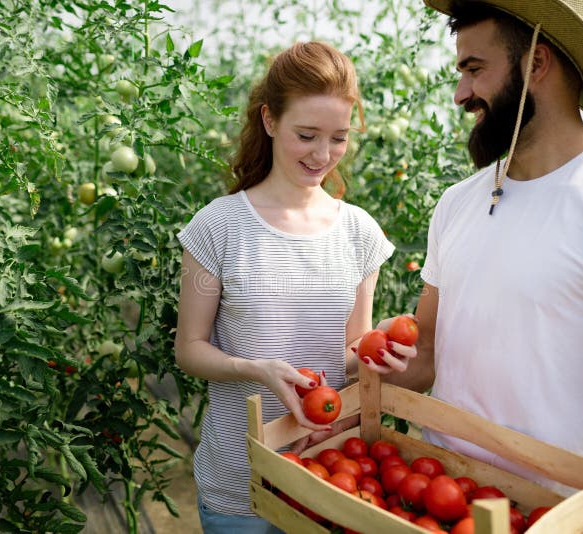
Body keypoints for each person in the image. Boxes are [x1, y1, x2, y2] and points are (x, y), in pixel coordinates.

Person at [366, 1, 583, 532]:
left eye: (474, 70)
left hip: (553, 518)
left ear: (536, 63)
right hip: (431, 499)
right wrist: (390, 354)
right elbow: (427, 353)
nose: (460, 94)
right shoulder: (456, 204)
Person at [174, 41, 395, 533]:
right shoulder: (219, 227)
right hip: (241, 479)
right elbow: (188, 350)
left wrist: (382, 351)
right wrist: (255, 368)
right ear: (270, 121)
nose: (323, 155)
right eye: (307, 135)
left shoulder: (359, 232)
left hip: (329, 472)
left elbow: (351, 351)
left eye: (338, 138)